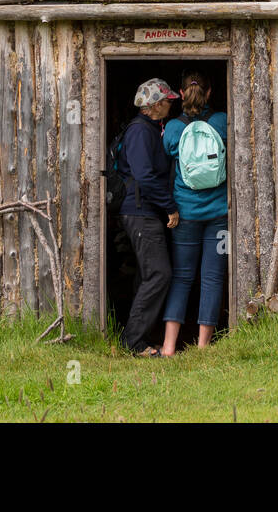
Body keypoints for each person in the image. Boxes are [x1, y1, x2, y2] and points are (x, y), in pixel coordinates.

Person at [160, 70, 228, 356]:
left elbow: (166, 155)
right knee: (212, 277)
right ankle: (202, 347)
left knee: (181, 277)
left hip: (184, 213)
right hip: (219, 213)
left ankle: (168, 347)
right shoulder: (222, 121)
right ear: (210, 92)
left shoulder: (174, 128)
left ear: (182, 93)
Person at [116, 77, 180, 357]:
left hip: (144, 212)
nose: (170, 105)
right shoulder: (141, 132)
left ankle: (137, 337)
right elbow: (144, 176)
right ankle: (134, 341)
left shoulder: (151, 129)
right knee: (159, 274)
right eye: (167, 101)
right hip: (141, 213)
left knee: (147, 275)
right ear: (154, 105)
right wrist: (169, 206)